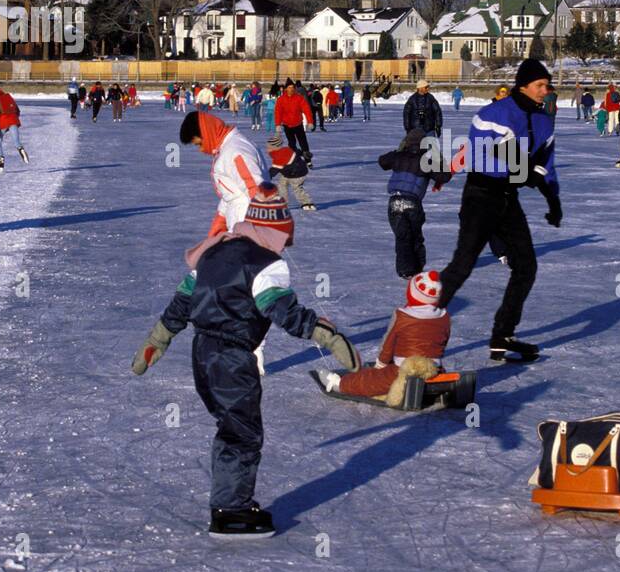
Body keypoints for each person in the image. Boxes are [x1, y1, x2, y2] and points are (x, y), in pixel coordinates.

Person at [131, 183, 362, 538]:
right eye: (285, 238)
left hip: (202, 357)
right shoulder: (266, 264)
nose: (286, 246)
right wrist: (326, 334)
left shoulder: (213, 254)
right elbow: (282, 310)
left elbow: (182, 303)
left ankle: (229, 501)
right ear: (275, 232)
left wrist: (158, 338)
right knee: (241, 433)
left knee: (231, 428)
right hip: (233, 359)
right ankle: (231, 510)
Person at [437, 58, 560, 362]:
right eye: (540, 85)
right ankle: (421, 328)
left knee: (526, 266)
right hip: (481, 195)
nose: (546, 90)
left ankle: (502, 336)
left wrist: (553, 200)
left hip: (508, 199)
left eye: (547, 85)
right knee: (462, 265)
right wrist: (523, 169)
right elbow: (480, 152)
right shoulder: (494, 113)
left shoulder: (544, 121)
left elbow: (546, 164)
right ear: (524, 86)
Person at [313, 272, 450, 403]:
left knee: (370, 380)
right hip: (434, 370)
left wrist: (381, 365)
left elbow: (388, 343)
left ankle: (340, 384)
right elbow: (443, 341)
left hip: (401, 370)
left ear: (412, 294)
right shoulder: (444, 316)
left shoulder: (403, 316)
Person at [179, 110, 271, 233]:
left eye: (199, 144)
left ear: (206, 132)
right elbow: (233, 193)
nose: (201, 150)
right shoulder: (228, 149)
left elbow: (256, 190)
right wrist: (221, 221)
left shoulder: (235, 151)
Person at [380, 128, 452, 277]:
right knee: (415, 237)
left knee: (402, 237)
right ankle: (417, 268)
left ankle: (405, 270)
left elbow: (382, 161)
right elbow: (445, 176)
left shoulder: (398, 156)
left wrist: (398, 152)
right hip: (412, 202)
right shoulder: (427, 160)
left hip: (394, 201)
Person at [267, 132, 315, 211]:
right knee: (282, 184)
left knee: (297, 188)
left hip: (296, 174)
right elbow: (298, 152)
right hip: (291, 172)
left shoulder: (279, 157)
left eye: (269, 147)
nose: (267, 149)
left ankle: (307, 203)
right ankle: (282, 201)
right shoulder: (287, 150)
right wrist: (304, 153)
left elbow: (274, 170)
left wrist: (266, 176)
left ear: (276, 147)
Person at [0, 82, 29, 172]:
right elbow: (17, 110)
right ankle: (21, 149)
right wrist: (13, 118)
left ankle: (0, 162)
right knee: (16, 141)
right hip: (13, 119)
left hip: (3, 122)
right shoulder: (7, 96)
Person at [275, 81, 314, 166]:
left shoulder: (299, 98)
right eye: (289, 87)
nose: (291, 89)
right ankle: (297, 156)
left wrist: (310, 122)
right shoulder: (281, 99)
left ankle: (308, 160)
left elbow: (306, 110)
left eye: (293, 87)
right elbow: (278, 112)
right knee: (292, 144)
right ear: (286, 89)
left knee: (303, 142)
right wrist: (278, 124)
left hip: (298, 124)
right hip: (287, 125)